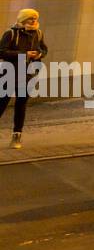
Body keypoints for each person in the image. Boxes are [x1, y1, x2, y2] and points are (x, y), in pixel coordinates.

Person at [0, 9, 48, 148]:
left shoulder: (38, 33)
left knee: (21, 106)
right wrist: (25, 54)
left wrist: (39, 55)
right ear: (23, 19)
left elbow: (44, 49)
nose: (34, 21)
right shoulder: (11, 33)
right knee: (1, 104)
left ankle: (17, 136)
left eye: (35, 18)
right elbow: (1, 52)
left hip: (27, 75)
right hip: (9, 74)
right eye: (30, 18)